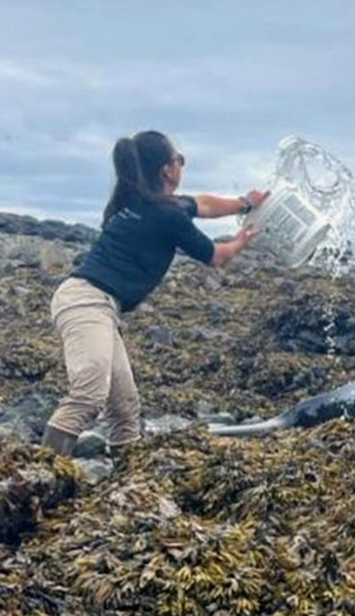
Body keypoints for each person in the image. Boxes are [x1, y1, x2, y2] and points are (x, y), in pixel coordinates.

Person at [41, 130, 266, 457]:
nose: (182, 166)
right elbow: (216, 256)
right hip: (86, 302)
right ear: (166, 170)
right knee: (88, 395)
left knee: (125, 406)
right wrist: (243, 240)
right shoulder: (166, 214)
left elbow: (202, 204)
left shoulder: (138, 199)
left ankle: (123, 478)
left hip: (101, 306)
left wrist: (245, 203)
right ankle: (41, 474)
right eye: (180, 160)